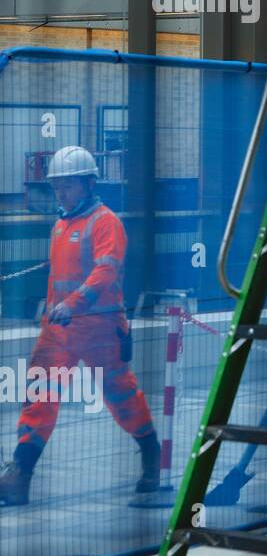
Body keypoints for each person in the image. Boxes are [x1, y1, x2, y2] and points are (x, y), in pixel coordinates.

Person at [0, 146, 160, 506]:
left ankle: (150, 453)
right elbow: (59, 278)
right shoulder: (61, 224)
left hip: (101, 327)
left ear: (88, 184)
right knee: (40, 394)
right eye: (57, 186)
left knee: (121, 396)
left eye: (67, 185)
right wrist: (51, 312)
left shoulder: (105, 223)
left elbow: (106, 271)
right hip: (60, 330)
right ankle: (19, 474)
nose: (61, 192)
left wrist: (72, 304)